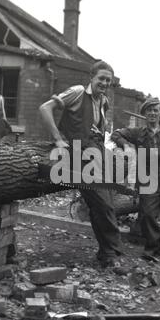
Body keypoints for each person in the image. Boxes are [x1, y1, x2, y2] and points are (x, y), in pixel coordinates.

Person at [39, 60, 123, 268]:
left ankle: (106, 254)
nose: (104, 83)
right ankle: (113, 255)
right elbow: (45, 108)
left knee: (104, 202)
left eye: (108, 81)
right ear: (91, 78)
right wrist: (57, 138)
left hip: (94, 154)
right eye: (101, 78)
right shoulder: (77, 92)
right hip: (73, 155)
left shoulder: (104, 102)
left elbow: (95, 129)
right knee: (102, 202)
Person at [111, 97, 160, 260]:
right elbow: (115, 134)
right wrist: (126, 144)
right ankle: (151, 247)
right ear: (144, 114)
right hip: (148, 171)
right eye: (149, 110)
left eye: (155, 110)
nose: (152, 113)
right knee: (147, 212)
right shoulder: (137, 132)